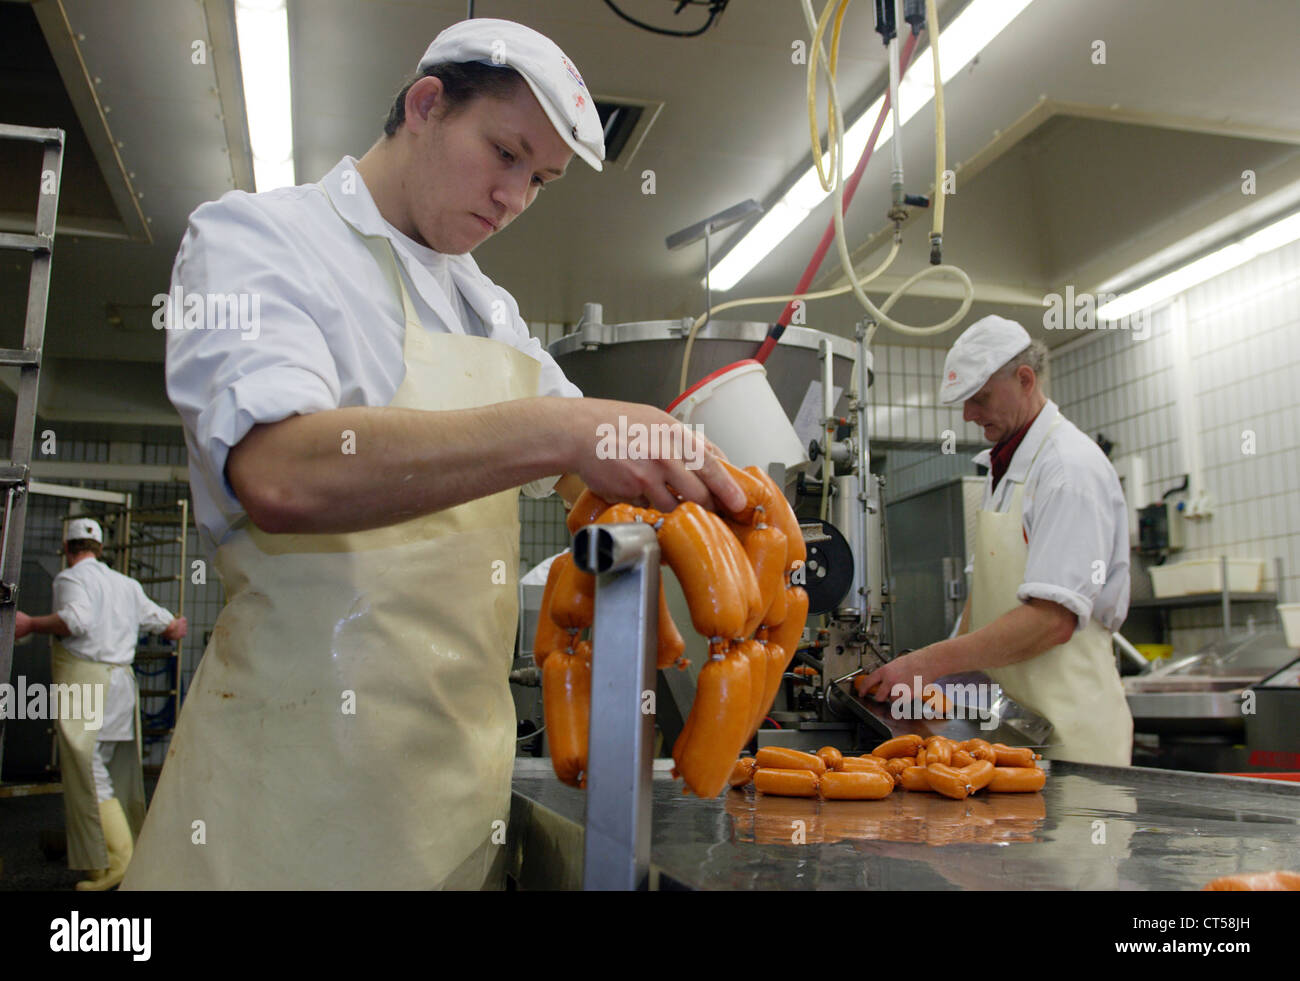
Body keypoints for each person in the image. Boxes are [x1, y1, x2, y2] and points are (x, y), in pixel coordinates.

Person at [123, 18, 740, 890]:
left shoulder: (489, 312)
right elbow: (282, 473)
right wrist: (566, 429)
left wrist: (732, 506)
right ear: (425, 105)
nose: (514, 197)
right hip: (282, 800)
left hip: (446, 805)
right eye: (504, 153)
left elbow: (615, 464)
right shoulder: (259, 240)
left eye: (541, 180)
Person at [856, 315, 1133, 765]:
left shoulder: (1067, 469)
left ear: (1025, 379)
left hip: (1071, 743)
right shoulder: (1005, 468)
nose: (968, 414)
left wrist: (926, 663)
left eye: (980, 398)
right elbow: (987, 600)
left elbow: (1052, 620)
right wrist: (933, 682)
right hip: (1014, 735)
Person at [13, 517, 187, 890]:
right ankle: (115, 847)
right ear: (100, 548)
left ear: (67, 548)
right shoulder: (126, 584)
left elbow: (76, 622)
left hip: (88, 681)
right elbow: (165, 623)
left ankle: (116, 860)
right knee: (109, 764)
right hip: (123, 682)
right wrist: (175, 626)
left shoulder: (70, 579)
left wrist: (30, 624)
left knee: (88, 768)